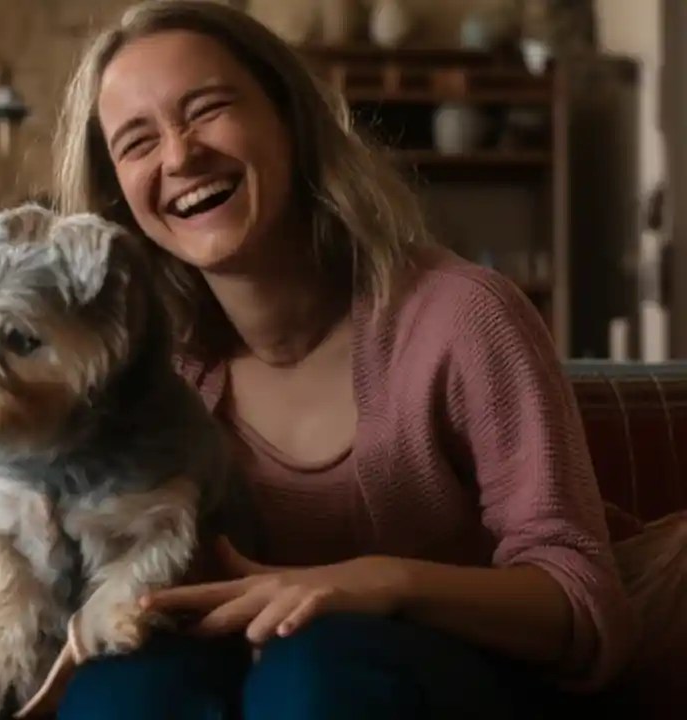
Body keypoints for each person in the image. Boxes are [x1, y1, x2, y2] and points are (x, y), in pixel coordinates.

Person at [49, 2, 636, 718]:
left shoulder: (463, 317)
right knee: (123, 689)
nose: (179, 156)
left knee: (317, 665)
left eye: (207, 109)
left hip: (440, 684)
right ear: (119, 195)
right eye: (138, 142)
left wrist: (379, 583)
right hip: (240, 681)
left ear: (291, 119)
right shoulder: (146, 374)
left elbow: (579, 598)